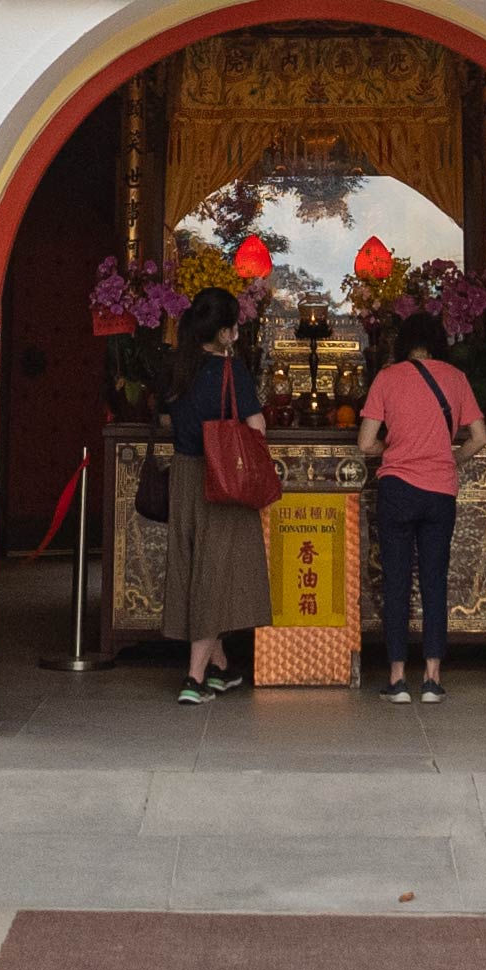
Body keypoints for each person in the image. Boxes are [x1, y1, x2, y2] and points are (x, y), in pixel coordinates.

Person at [355, 309, 485, 702]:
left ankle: (397, 680)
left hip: (397, 489)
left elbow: (365, 443)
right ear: (438, 342)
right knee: (433, 581)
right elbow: (479, 438)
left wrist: (390, 449)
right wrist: (451, 459)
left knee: (396, 581)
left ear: (402, 343)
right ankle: (432, 678)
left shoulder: (387, 378)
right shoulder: (456, 378)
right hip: (440, 492)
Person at [162, 288, 269, 704]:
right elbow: (256, 426)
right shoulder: (231, 371)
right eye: (235, 326)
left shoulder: (175, 367)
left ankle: (220, 667)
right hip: (222, 477)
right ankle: (194, 678)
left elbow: (167, 416)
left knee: (195, 568)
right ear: (225, 332)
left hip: (185, 474)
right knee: (215, 572)